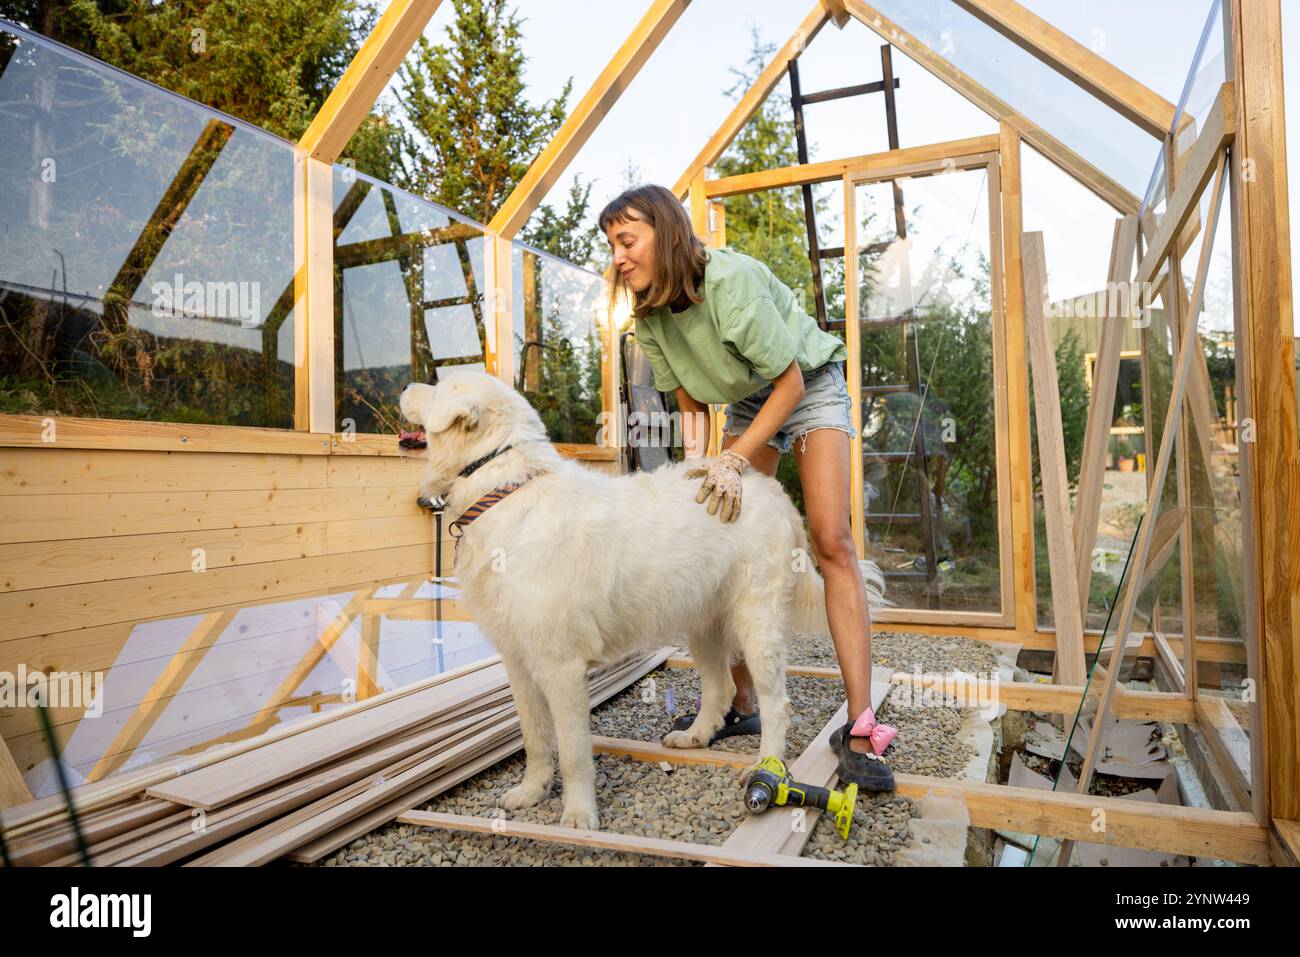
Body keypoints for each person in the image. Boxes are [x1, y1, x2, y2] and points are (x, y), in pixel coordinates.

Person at [599, 184, 896, 792]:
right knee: (719, 536)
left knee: (830, 539)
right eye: (612, 246)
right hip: (747, 402)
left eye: (628, 241)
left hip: (806, 385)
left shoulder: (727, 281)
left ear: (667, 233)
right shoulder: (649, 313)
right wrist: (696, 468)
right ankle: (740, 704)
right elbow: (686, 400)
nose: (618, 257)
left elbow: (787, 383)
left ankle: (861, 727)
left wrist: (731, 459)